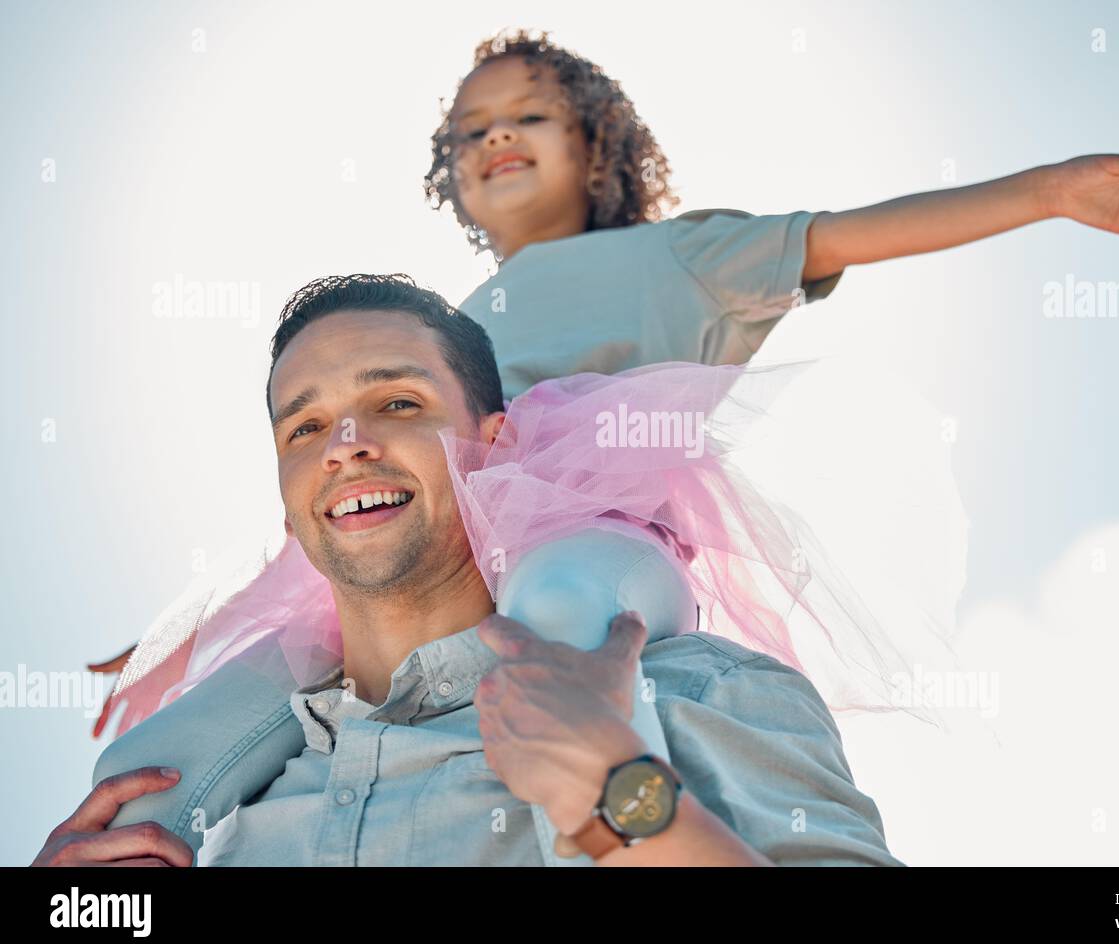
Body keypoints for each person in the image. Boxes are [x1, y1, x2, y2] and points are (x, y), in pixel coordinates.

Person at [86, 27, 1119, 863]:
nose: (496, 139)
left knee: (561, 618)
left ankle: (583, 822)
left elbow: (860, 231)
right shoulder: (448, 320)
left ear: (597, 143)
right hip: (438, 555)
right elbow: (347, 485)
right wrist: (166, 646)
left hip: (591, 532)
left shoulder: (680, 256)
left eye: (525, 116)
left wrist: (1051, 192)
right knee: (179, 738)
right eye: (472, 133)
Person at [37, 273, 902, 866]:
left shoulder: (695, 692)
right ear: (289, 496)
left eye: (397, 403)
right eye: (305, 428)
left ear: (494, 448)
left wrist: (623, 799)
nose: (346, 446)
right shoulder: (221, 820)